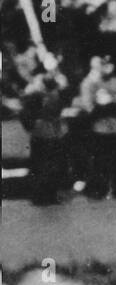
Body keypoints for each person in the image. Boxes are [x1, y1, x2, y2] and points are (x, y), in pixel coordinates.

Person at [80, 56, 116, 199]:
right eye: (100, 66)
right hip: (99, 127)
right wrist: (107, 103)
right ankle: (98, 189)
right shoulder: (89, 83)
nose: (104, 68)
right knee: (100, 161)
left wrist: (112, 102)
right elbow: (88, 106)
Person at [20, 53, 70, 205]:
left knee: (49, 164)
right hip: (45, 131)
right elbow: (27, 112)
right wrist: (32, 125)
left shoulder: (53, 90)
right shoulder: (38, 92)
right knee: (44, 164)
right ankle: (42, 195)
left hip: (49, 132)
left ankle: (48, 194)